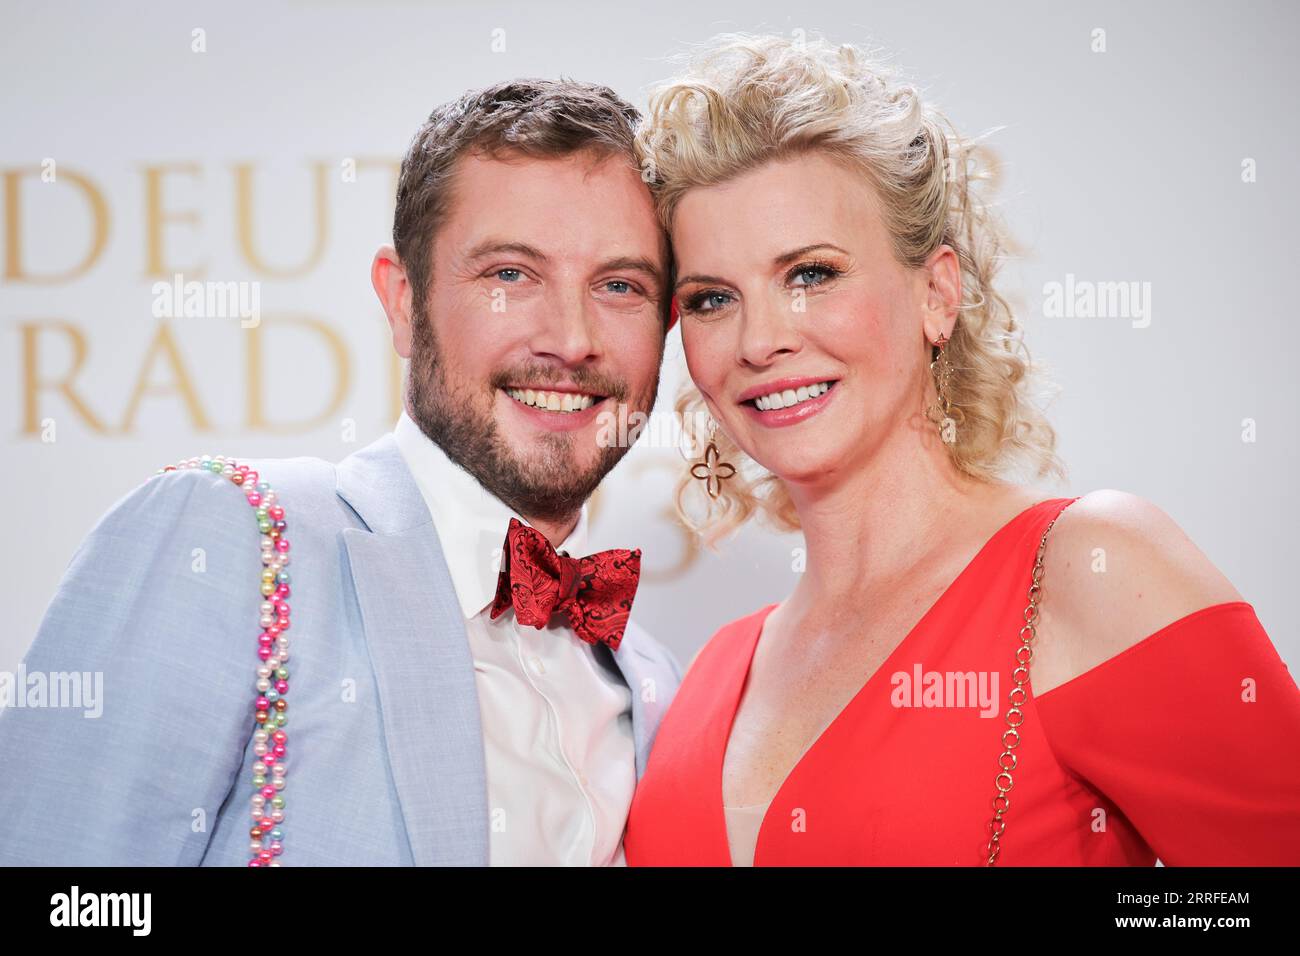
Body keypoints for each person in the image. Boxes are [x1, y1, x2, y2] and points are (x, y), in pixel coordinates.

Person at [622, 33, 1300, 866]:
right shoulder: (715, 673)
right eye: (714, 297)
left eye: (812, 274)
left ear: (936, 294)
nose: (761, 340)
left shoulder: (1089, 570)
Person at [0, 78, 683, 866]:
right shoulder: (233, 539)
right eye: (509, 276)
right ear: (402, 301)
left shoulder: (650, 676)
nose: (571, 339)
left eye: (620, 285)